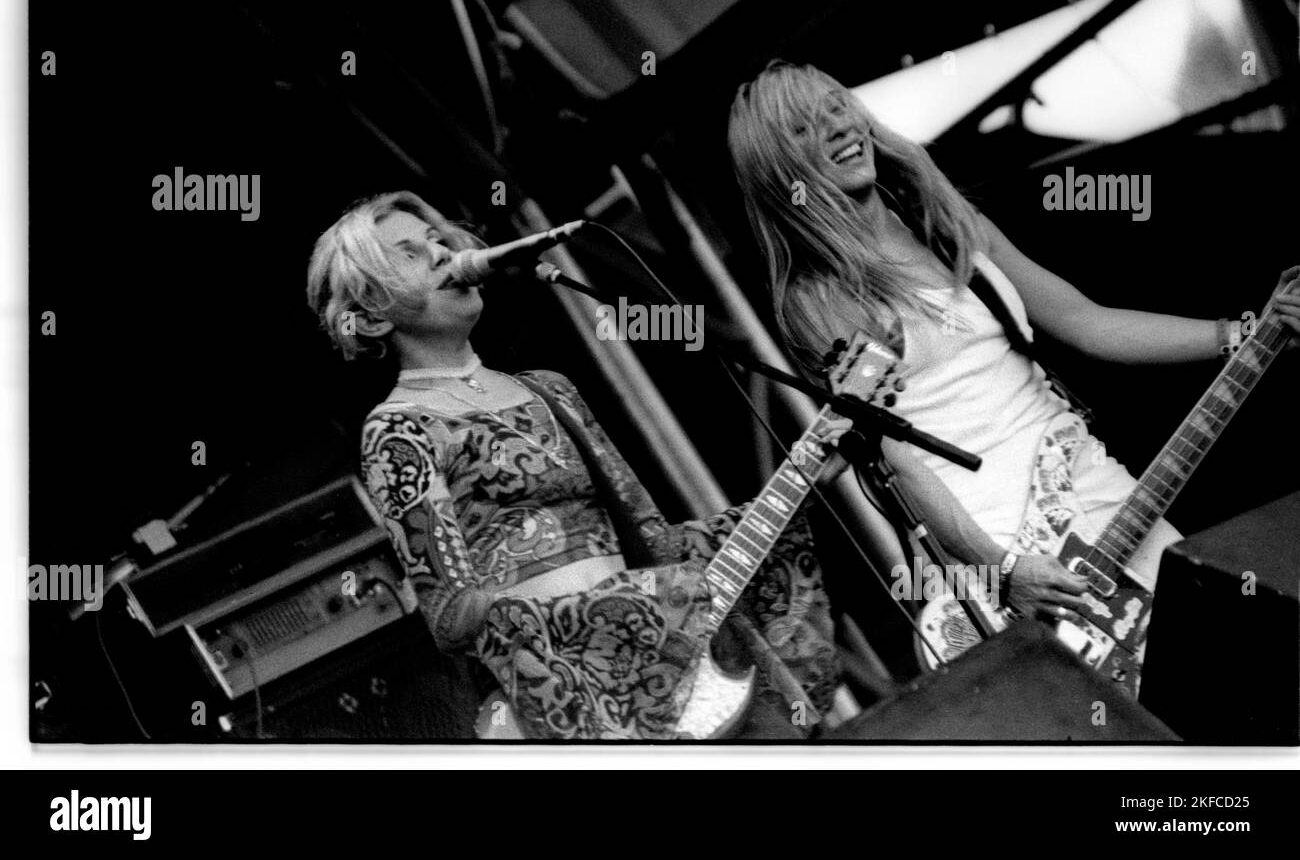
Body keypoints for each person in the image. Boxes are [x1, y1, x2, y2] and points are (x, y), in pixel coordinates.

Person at [726, 60, 1299, 629]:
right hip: (993, 539)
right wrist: (1001, 569)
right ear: (779, 169)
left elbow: (1085, 322)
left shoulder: (943, 223)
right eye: (803, 128)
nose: (838, 127)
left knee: (1220, 644)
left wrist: (1241, 334)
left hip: (1088, 479)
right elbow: (892, 456)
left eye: (836, 105)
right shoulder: (822, 296)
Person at [305, 190, 849, 739]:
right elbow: (450, 614)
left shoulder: (550, 391)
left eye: (438, 240)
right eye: (408, 254)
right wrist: (600, 616)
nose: (443, 253)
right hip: (571, 697)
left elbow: (654, 545)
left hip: (664, 660)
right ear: (371, 317)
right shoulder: (398, 429)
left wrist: (801, 477)